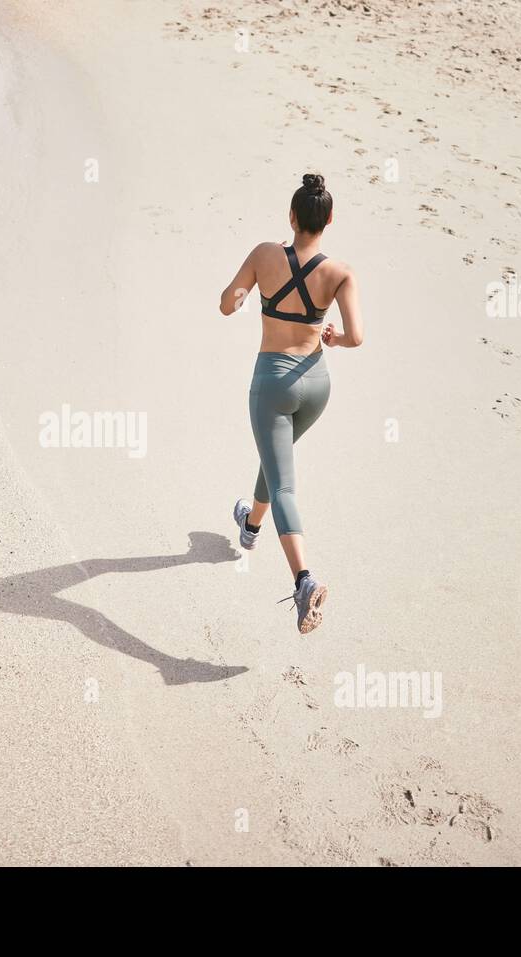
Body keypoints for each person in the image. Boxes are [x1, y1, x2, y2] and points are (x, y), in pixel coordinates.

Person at [218, 173, 364, 634]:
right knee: (274, 461)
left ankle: (304, 580)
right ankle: (251, 525)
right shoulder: (340, 273)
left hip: (273, 382)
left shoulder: (265, 254)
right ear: (329, 220)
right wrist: (335, 339)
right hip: (316, 385)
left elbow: (227, 304)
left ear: (292, 216)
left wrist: (252, 287)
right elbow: (356, 336)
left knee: (284, 484)